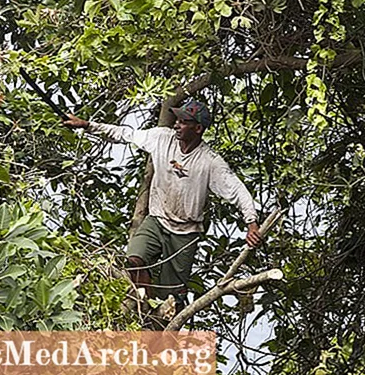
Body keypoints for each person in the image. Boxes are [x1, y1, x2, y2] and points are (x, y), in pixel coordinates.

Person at [63, 99, 261, 305]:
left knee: (170, 296)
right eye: (177, 120)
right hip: (157, 220)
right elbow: (125, 134)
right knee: (133, 261)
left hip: (185, 233)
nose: (176, 125)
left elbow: (237, 190)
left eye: (183, 122)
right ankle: (143, 306)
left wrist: (251, 222)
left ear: (198, 128)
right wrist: (87, 125)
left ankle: (159, 323)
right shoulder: (161, 138)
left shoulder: (209, 161)